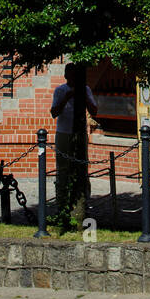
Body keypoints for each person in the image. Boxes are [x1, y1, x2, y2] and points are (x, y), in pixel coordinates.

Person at [51, 63, 98, 220]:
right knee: (63, 169)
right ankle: (62, 204)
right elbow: (54, 112)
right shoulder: (60, 90)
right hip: (63, 132)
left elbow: (94, 110)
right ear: (65, 76)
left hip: (79, 133)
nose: (72, 78)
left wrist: (83, 97)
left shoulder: (85, 89)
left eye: (75, 75)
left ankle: (83, 202)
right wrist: (65, 99)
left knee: (82, 166)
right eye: (69, 74)